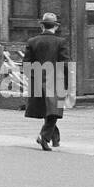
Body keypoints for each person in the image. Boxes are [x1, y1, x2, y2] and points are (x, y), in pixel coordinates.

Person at [24, 12, 72, 151]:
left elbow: (26, 64)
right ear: (55, 27)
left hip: (38, 78)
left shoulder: (32, 41)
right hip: (55, 80)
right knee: (54, 111)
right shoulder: (60, 42)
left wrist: (32, 77)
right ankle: (44, 137)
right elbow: (65, 64)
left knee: (49, 110)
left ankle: (55, 138)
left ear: (42, 26)